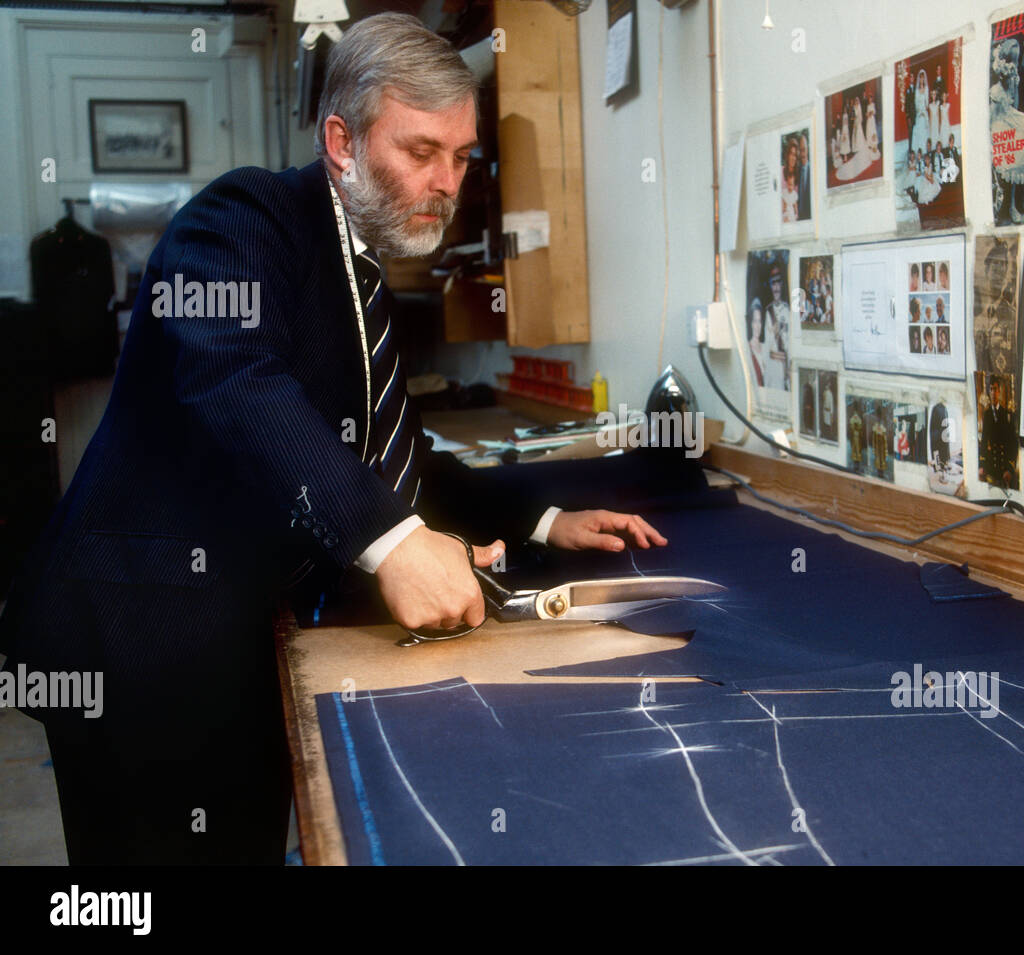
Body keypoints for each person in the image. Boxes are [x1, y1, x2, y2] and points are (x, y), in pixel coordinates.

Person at [0, 13, 668, 865]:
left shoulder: (364, 268)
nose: (446, 182)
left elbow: (402, 456)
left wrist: (545, 517)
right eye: (421, 151)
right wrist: (391, 544)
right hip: (140, 641)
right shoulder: (243, 218)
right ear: (341, 139)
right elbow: (237, 380)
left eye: (462, 157)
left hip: (241, 630)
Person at [990, 37, 1024, 224]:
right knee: (1013, 152)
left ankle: (1022, 199)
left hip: (1010, 116)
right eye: (1012, 60)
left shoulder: (1015, 76)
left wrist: (1017, 120)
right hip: (997, 119)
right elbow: (994, 110)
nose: (1013, 65)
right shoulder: (996, 74)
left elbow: (1015, 102)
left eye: (1016, 60)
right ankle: (1012, 203)